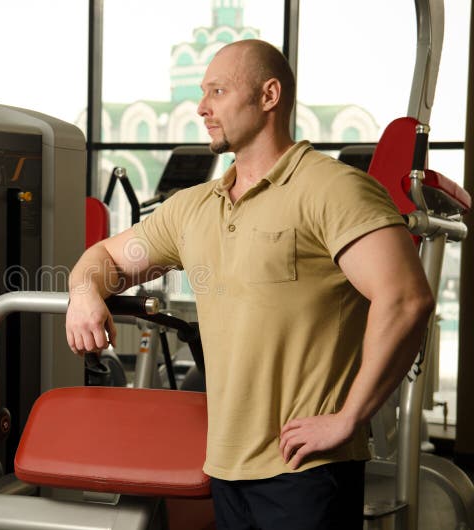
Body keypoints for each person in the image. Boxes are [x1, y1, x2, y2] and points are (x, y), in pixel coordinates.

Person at [65, 39, 434, 529]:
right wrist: (84, 293)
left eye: (217, 91)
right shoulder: (192, 208)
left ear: (268, 96)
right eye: (202, 93)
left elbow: (407, 298)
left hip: (306, 465)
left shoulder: (334, 190)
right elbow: (106, 257)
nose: (202, 107)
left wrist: (348, 419)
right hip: (225, 465)